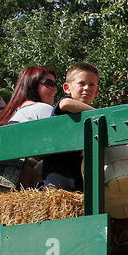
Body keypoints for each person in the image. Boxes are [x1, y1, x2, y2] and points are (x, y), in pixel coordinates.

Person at [41, 62, 100, 191]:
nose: (87, 88)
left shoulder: (91, 118)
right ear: (67, 88)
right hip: (58, 183)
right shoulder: (65, 106)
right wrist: (101, 115)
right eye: (81, 83)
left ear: (96, 91)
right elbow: (66, 103)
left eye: (92, 85)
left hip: (78, 183)